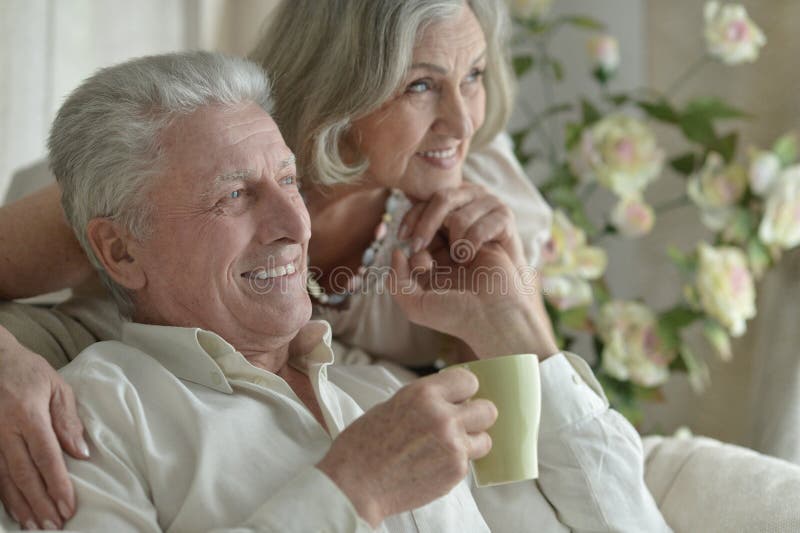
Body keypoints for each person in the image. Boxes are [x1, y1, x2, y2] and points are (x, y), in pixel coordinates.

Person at [0, 51, 669, 532]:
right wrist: (351, 491)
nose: (296, 226)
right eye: (235, 195)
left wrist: (511, 328)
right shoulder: (92, 421)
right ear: (120, 248)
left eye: (289, 182)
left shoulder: (384, 393)